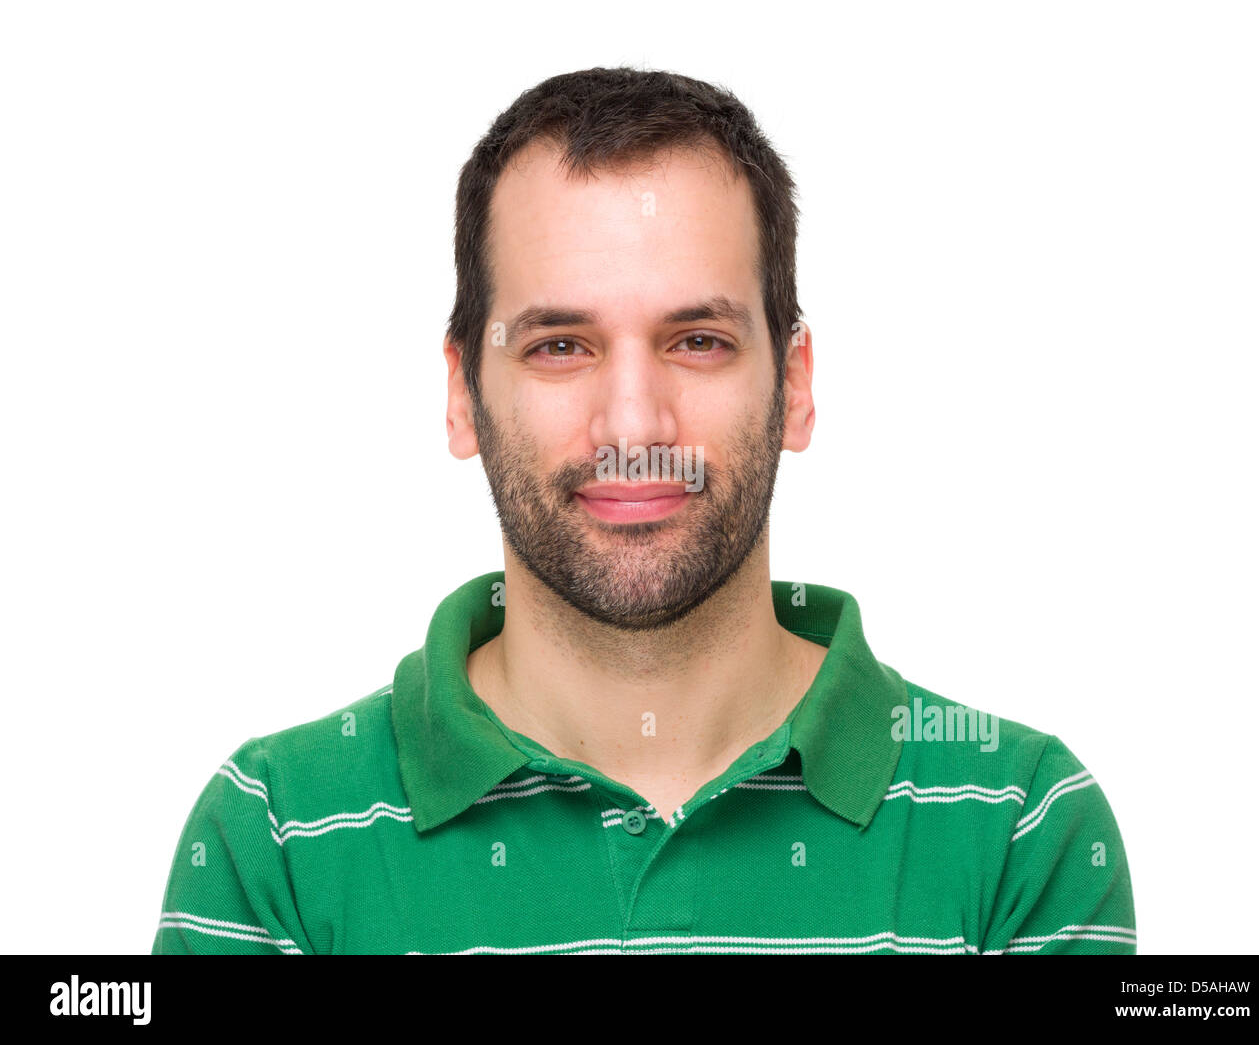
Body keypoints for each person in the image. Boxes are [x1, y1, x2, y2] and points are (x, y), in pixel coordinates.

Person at [151, 66, 1135, 955]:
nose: (632, 423)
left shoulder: (1018, 825)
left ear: (792, 385)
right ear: (462, 395)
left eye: (698, 341)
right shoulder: (275, 834)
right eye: (560, 346)